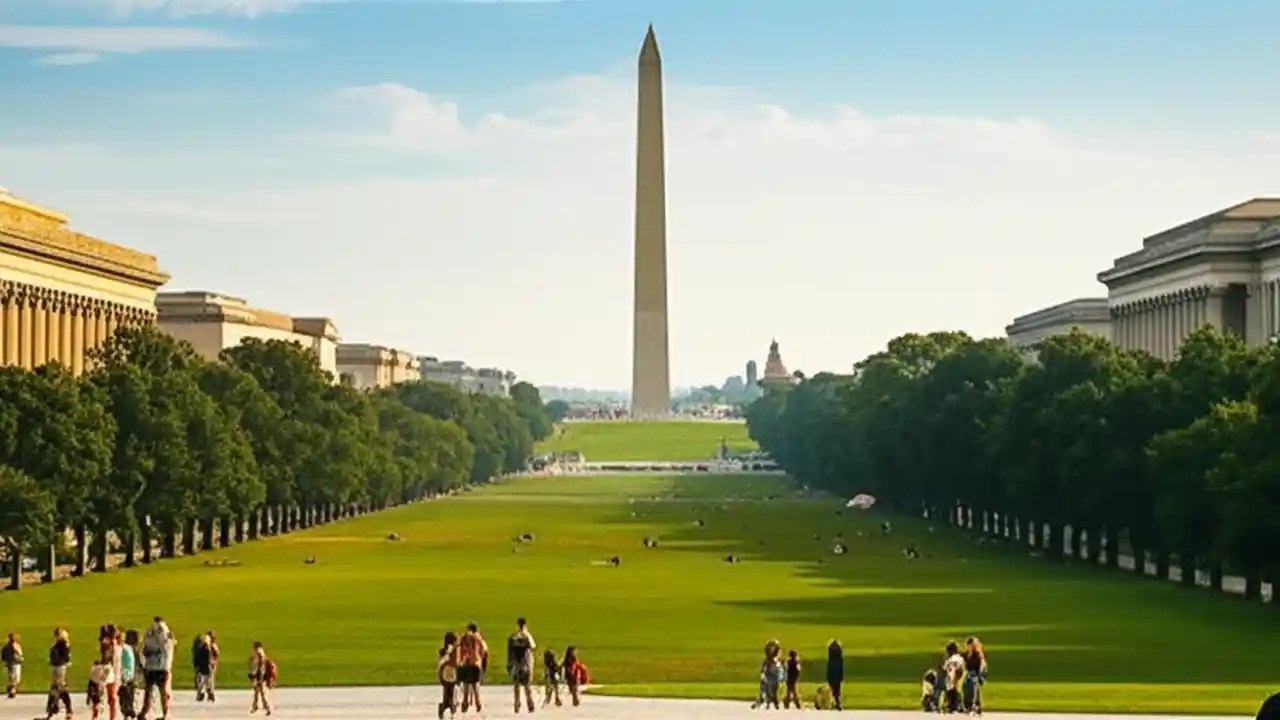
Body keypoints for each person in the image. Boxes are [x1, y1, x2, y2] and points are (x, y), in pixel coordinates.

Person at [137, 617, 172, 720]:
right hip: (160, 667)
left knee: (150, 692)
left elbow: (145, 649)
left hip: (154, 667)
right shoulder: (166, 634)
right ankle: (164, 713)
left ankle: (145, 712)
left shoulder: (151, 633)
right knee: (161, 692)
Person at [507, 618, 536, 714]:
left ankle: (517, 704)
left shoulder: (513, 637)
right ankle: (530, 703)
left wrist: (509, 664)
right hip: (525, 664)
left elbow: (510, 652)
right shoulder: (527, 636)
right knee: (527, 686)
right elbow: (532, 647)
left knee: (516, 686)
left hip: (516, 664)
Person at [457, 623, 488, 713]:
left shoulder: (463, 637)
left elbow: (459, 648)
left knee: (466, 684)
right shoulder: (478, 638)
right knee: (475, 685)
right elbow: (483, 651)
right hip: (476, 663)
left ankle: (465, 704)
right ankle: (478, 704)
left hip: (466, 663)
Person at [44, 628, 72, 720]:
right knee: (58, 689)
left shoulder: (62, 645)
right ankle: (55, 711)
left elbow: (64, 658)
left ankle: (54, 711)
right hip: (56, 667)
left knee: (57, 689)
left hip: (59, 668)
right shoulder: (59, 644)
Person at [248, 641, 274, 716]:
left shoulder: (259, 653)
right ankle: (255, 706)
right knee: (257, 691)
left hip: (259, 675)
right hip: (259, 674)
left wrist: (258, 676)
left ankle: (267, 707)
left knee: (261, 692)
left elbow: (260, 666)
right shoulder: (260, 653)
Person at [437, 632, 459, 720]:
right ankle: (448, 706)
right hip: (450, 673)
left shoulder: (444, 650)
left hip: (446, 674)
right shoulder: (450, 650)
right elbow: (446, 661)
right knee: (450, 692)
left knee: (448, 692)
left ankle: (446, 706)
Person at [962, 636, 987, 714]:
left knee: (973, 684)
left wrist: (980, 676)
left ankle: (976, 704)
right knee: (966, 686)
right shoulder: (965, 654)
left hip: (977, 673)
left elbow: (982, 667)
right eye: (968, 645)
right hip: (968, 673)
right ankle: (968, 704)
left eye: (971, 645)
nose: (969, 647)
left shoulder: (978, 655)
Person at [941, 641, 965, 714]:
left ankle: (954, 706)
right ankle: (956, 706)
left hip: (953, 679)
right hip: (954, 679)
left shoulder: (952, 659)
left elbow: (951, 668)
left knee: (952, 692)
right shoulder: (958, 658)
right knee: (954, 692)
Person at [119, 631, 138, 720]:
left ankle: (127, 713)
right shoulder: (129, 648)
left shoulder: (123, 649)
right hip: (130, 677)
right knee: (129, 697)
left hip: (124, 677)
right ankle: (129, 713)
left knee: (124, 698)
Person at [193, 634, 214, 703]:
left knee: (201, 682)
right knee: (207, 681)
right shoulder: (207, 649)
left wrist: (196, 668)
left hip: (202, 668)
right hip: (206, 667)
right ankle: (208, 693)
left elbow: (196, 660)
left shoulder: (199, 650)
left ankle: (202, 694)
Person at [825, 640, 844, 711]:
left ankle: (835, 703)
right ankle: (836, 703)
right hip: (836, 675)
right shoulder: (838, 659)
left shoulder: (832, 659)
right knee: (836, 691)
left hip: (833, 675)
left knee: (834, 690)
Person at [3, 632, 22, 699]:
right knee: (14, 679)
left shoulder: (7, 646)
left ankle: (11, 690)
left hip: (11, 664)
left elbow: (3, 656)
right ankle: (12, 691)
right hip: (14, 664)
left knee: (13, 679)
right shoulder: (13, 646)